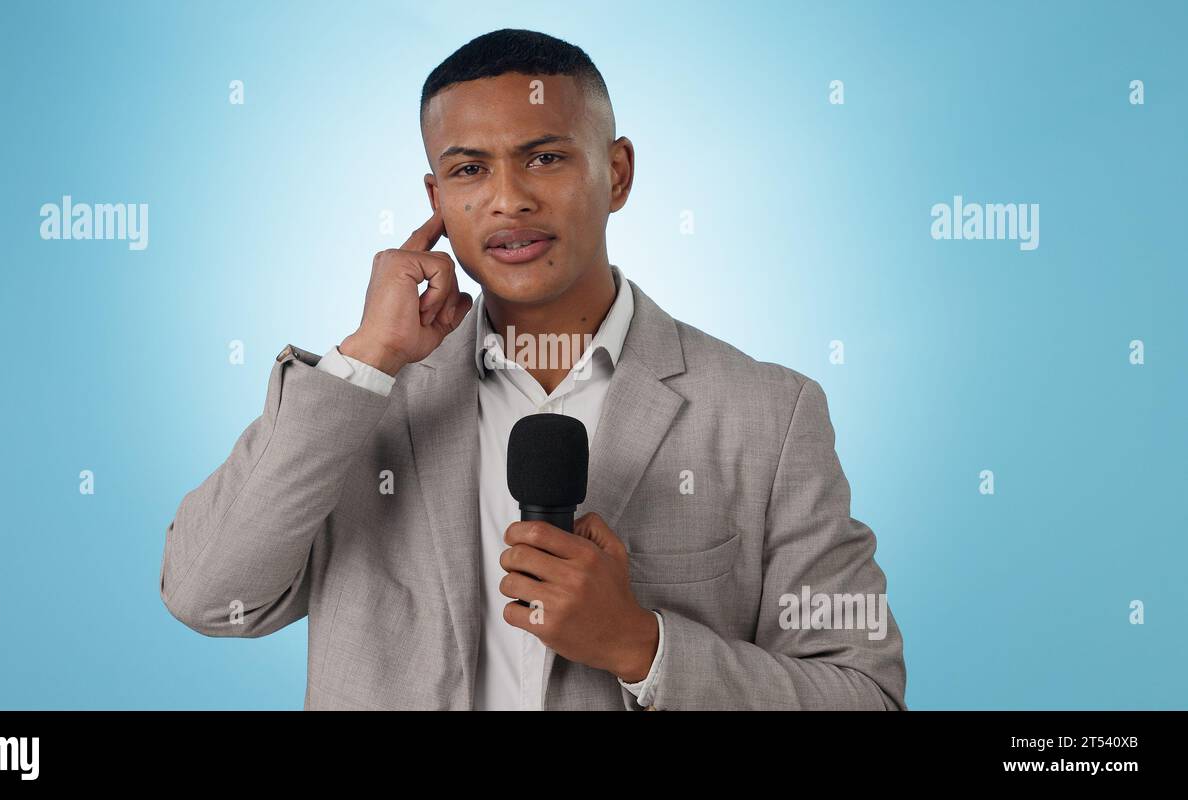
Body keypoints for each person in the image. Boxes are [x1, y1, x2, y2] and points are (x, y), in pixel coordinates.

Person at [160, 28, 907, 711]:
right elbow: (208, 595)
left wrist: (641, 646)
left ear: (616, 174)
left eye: (544, 157)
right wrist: (370, 357)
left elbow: (865, 696)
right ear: (437, 202)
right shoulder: (361, 403)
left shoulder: (769, 415)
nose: (508, 199)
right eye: (469, 170)